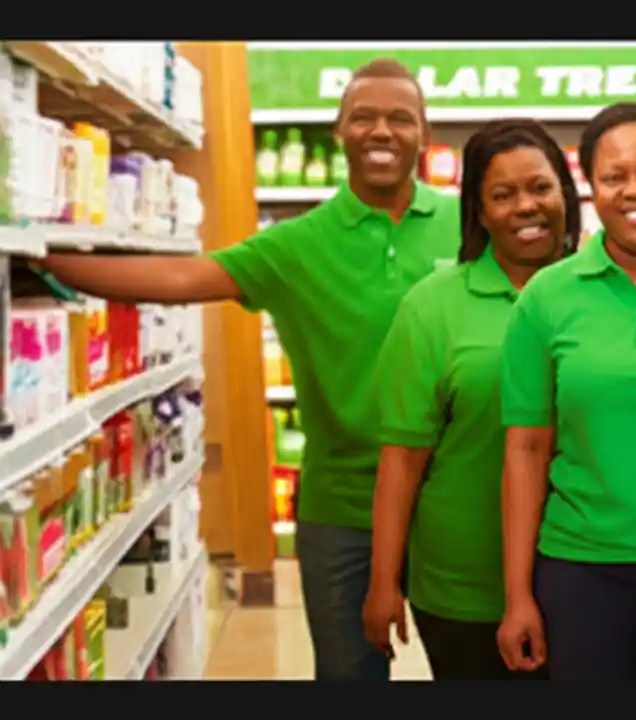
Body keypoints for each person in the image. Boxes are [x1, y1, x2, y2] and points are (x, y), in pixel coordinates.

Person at [36, 58, 461, 681]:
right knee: (348, 679)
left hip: (455, 496)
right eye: (363, 117)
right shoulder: (297, 245)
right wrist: (41, 256)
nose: (382, 131)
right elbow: (184, 278)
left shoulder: (467, 225)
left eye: (401, 119)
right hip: (343, 506)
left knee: (477, 670)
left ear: (423, 134)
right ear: (339, 131)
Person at [496, 102, 636, 680]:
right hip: (583, 574)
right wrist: (519, 593)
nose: (635, 191)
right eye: (614, 177)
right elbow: (525, 450)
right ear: (590, 187)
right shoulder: (547, 297)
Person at [361, 118, 580, 680]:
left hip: (589, 578)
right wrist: (384, 581)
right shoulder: (434, 306)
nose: (526, 207)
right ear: (479, 213)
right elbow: (402, 457)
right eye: (502, 196)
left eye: (540, 187)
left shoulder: (603, 290)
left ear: (567, 192)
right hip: (465, 584)